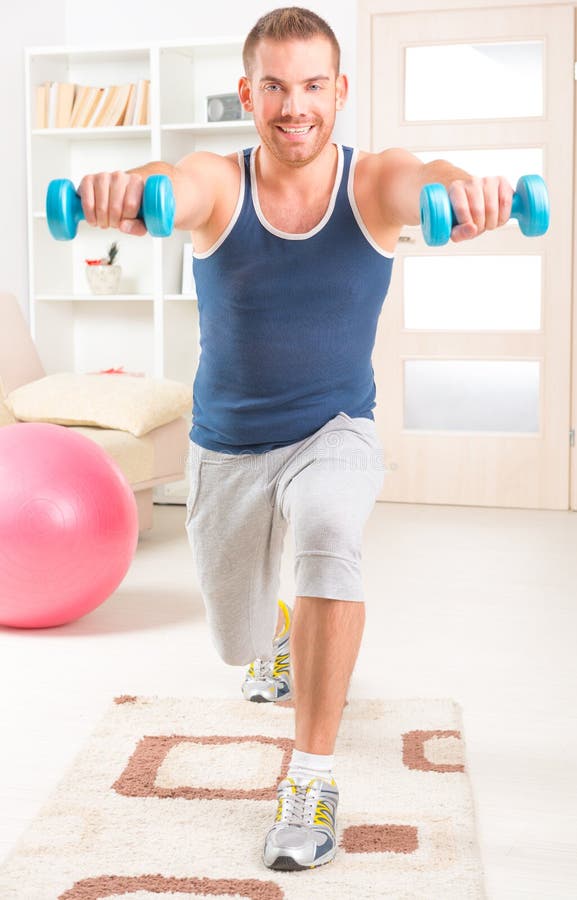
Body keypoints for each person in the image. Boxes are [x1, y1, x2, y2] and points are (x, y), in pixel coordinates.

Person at [78, 5, 514, 872]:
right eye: (274, 86)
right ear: (248, 92)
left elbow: (423, 175)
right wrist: (133, 189)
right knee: (234, 644)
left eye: (312, 84)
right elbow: (181, 179)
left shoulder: (373, 181)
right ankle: (274, 636)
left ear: (339, 91)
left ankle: (308, 778)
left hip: (333, 430)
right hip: (227, 447)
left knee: (327, 531)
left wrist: (464, 189)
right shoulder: (219, 181)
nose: (294, 105)